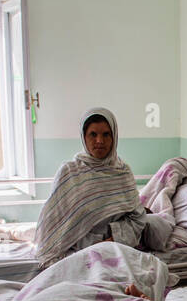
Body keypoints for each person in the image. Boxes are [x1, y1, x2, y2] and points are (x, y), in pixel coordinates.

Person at [35, 107, 168, 269]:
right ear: (84, 137)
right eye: (93, 134)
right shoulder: (69, 171)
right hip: (75, 250)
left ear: (114, 137)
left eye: (106, 134)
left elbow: (137, 218)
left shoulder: (123, 172)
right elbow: (52, 222)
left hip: (114, 248)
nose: (100, 141)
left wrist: (111, 241)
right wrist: (89, 246)